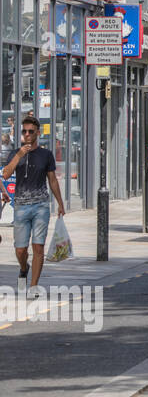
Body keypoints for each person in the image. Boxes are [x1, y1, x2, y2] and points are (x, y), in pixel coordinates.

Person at [3, 116, 65, 296]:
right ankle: (24, 268)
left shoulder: (46, 155)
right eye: (24, 131)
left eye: (31, 131)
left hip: (41, 206)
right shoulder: (15, 153)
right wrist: (20, 155)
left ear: (38, 133)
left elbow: (52, 180)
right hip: (21, 206)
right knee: (20, 250)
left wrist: (60, 203)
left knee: (38, 247)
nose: (27, 135)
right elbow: (6, 175)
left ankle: (33, 286)